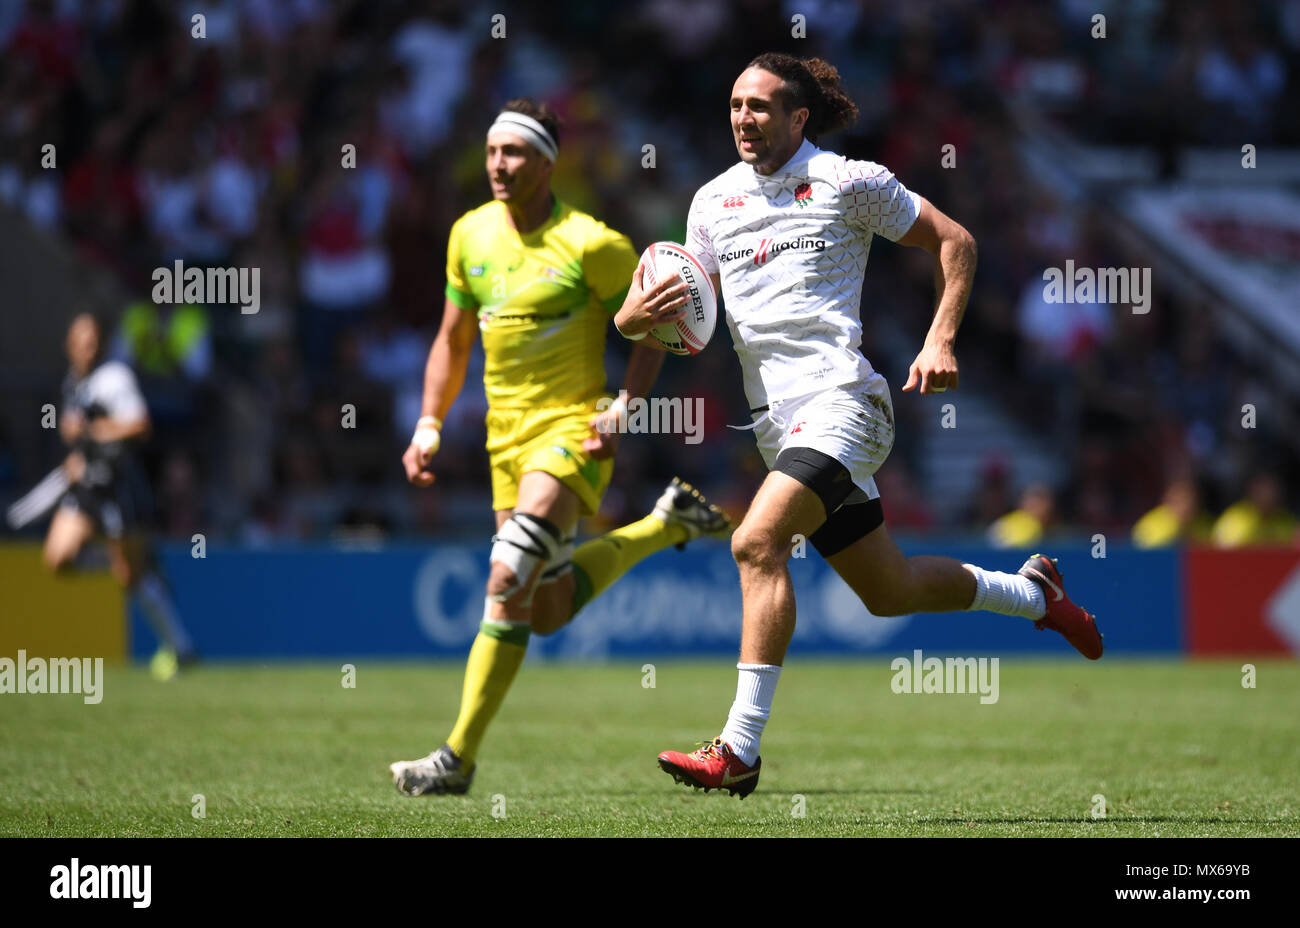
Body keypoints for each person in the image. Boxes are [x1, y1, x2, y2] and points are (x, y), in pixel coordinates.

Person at [615, 55, 1103, 799]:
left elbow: (956, 242)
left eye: (761, 106)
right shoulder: (712, 203)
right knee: (891, 589)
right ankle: (1033, 593)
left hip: (846, 405)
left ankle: (738, 749)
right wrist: (627, 341)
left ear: (799, 118)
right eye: (736, 104)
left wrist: (939, 338)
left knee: (755, 541)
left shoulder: (850, 182)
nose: (744, 117)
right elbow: (679, 323)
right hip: (780, 430)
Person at [389, 99, 729, 796]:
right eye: (491, 153)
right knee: (539, 612)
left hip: (571, 432)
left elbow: (653, 328)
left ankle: (455, 758)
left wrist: (626, 407)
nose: (497, 165)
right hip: (502, 443)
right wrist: (429, 422)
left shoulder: (592, 244)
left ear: (547, 163)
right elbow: (452, 340)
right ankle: (664, 526)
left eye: (513, 154)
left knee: (505, 572)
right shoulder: (469, 235)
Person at [42, 313, 197, 681]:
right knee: (58, 558)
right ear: (69, 344)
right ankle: (121, 561)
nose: (86, 348)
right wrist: (76, 451)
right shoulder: (73, 383)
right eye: (80, 340)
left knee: (132, 576)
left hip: (117, 486)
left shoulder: (115, 377)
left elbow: (139, 424)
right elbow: (74, 430)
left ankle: (181, 646)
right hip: (87, 485)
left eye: (93, 340)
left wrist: (94, 431)